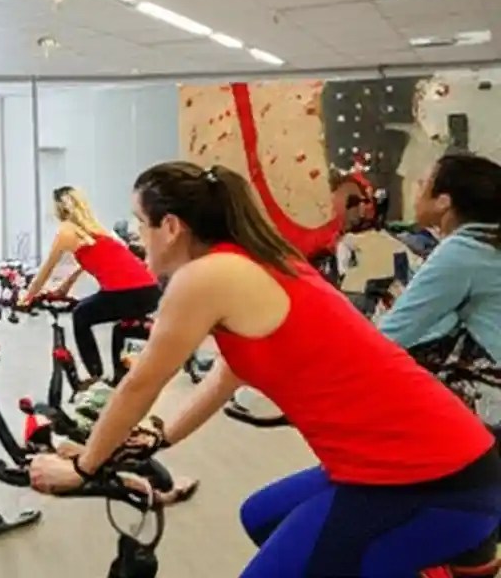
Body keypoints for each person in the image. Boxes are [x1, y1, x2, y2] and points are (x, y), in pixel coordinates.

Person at [27, 161, 501, 577]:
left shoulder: (204, 277)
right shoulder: (251, 261)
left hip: (430, 477)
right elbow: (226, 374)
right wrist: (160, 438)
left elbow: (140, 383)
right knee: (262, 517)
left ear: (170, 226)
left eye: (140, 223)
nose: (135, 237)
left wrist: (84, 468)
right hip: (411, 459)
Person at [380, 152, 501, 427]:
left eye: (424, 183)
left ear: (443, 201)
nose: (417, 188)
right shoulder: (486, 243)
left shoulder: (463, 251)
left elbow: (393, 333)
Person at [20, 186, 160, 385]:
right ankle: (120, 378)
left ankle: (95, 377)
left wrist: (26, 297)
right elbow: (87, 262)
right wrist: (65, 287)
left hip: (127, 291)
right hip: (150, 290)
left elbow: (46, 269)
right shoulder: (95, 229)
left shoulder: (66, 231)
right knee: (120, 328)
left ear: (59, 208)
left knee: (81, 315)